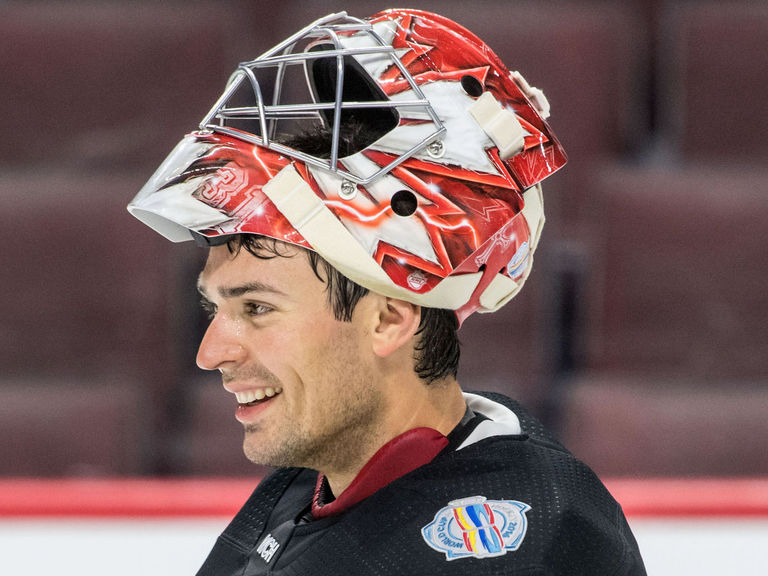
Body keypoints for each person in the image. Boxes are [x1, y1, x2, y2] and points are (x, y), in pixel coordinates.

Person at [128, 9, 646, 575]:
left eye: (256, 308)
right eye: (215, 307)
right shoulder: (309, 486)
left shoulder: (515, 547)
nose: (211, 353)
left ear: (390, 319)